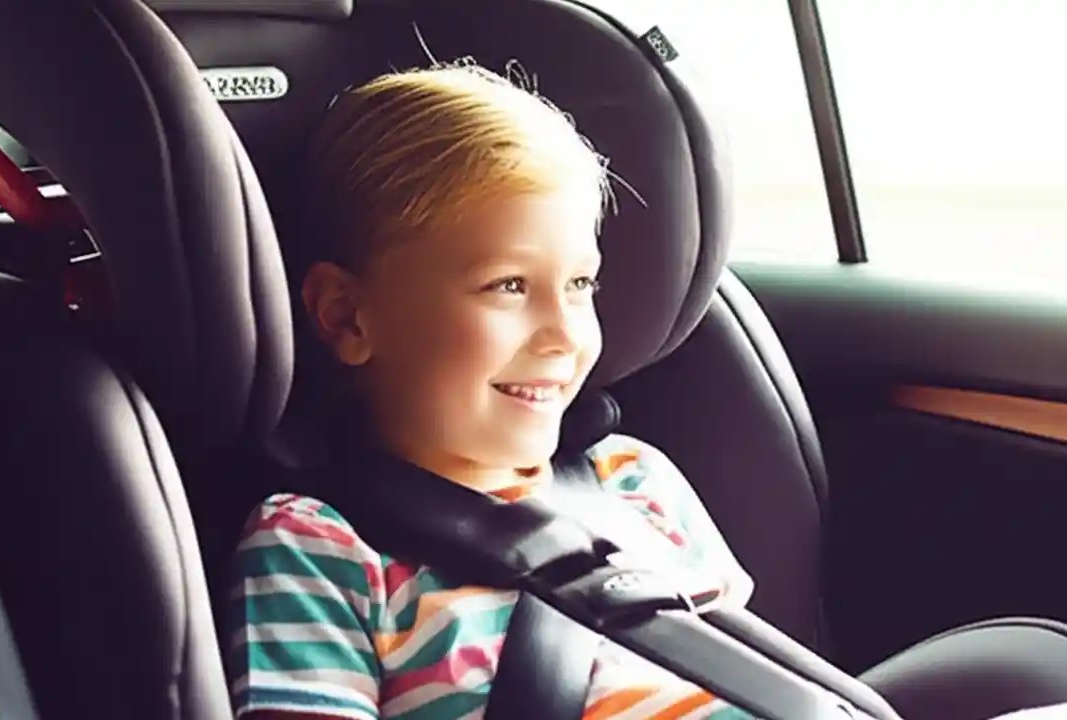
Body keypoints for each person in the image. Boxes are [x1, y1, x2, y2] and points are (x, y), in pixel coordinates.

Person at [224, 62, 1064, 720]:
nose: (565, 334)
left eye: (580, 284)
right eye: (508, 286)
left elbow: (761, 678)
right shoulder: (320, 548)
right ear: (348, 316)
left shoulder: (631, 481)